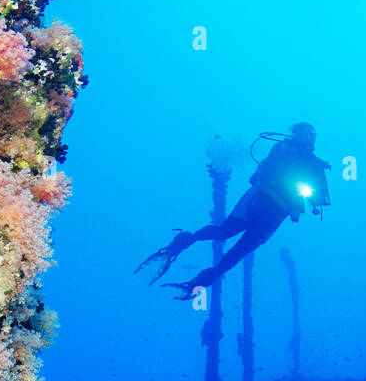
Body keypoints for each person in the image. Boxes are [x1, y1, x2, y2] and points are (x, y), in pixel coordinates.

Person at [135, 122, 331, 296]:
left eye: (312, 135)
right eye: (304, 133)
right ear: (295, 134)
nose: (308, 138)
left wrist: (314, 194)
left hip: (276, 214)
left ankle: (204, 279)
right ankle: (180, 244)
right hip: (258, 200)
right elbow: (261, 172)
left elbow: (321, 198)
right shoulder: (282, 148)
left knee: (241, 249)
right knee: (223, 232)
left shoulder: (315, 165)